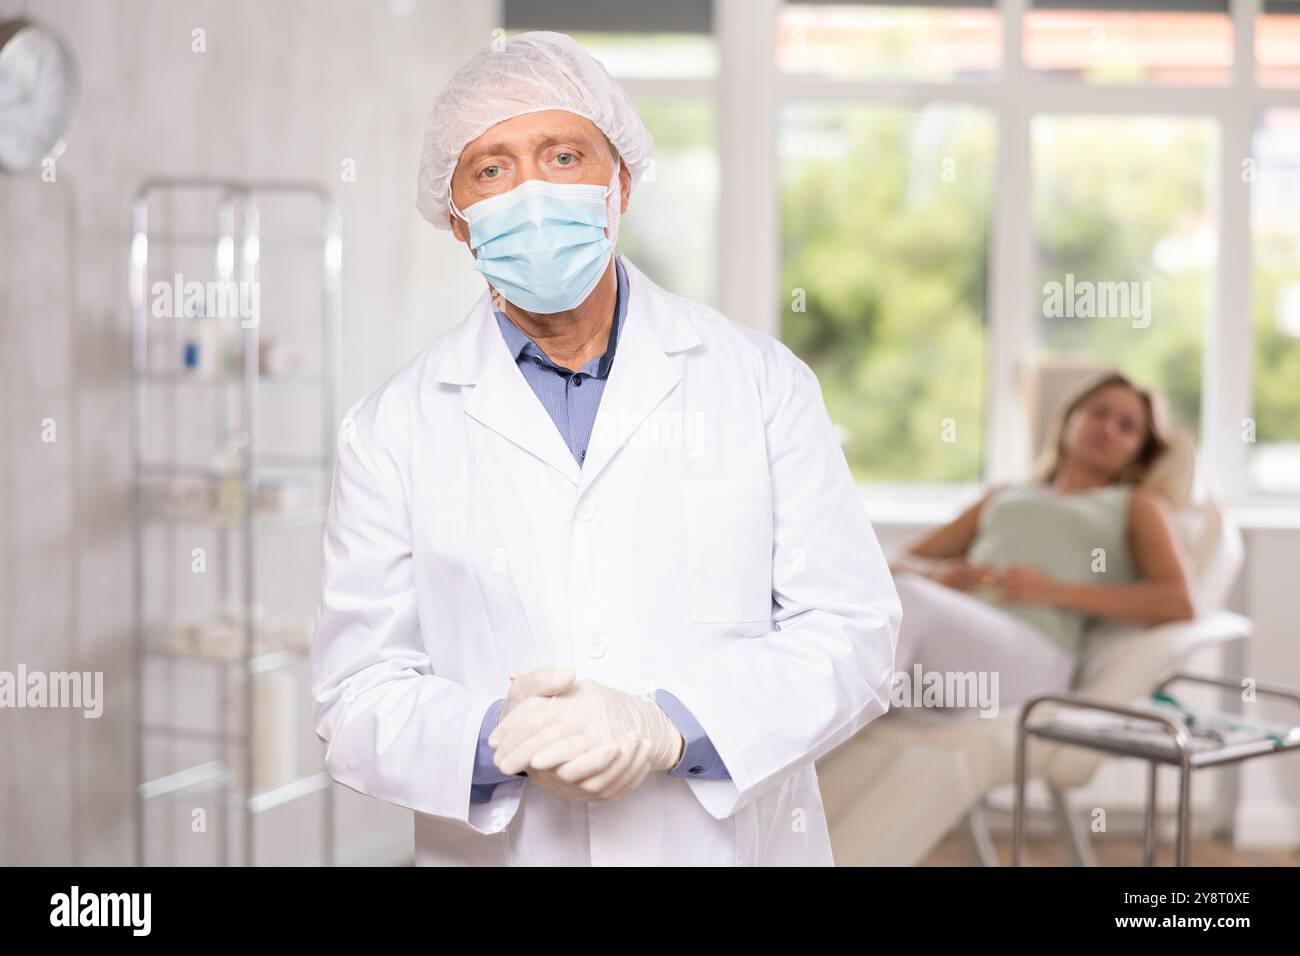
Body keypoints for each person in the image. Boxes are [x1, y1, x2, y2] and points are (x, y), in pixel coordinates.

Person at [310, 31, 902, 867]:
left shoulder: (762, 384)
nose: (531, 194)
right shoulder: (390, 431)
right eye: (491, 169)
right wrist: (495, 738)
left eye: (562, 155)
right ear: (457, 219)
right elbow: (356, 695)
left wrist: (671, 728)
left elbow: (853, 631)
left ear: (619, 181)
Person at [888, 371, 1197, 715]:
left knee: (908, 599)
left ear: (1139, 451)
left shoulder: (1135, 504)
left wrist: (1051, 591)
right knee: (892, 596)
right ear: (1069, 420)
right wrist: (938, 575)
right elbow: (895, 563)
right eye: (1099, 413)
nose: (1108, 429)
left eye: (1127, 427)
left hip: (1037, 655)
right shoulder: (1005, 495)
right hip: (963, 639)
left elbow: (1179, 601)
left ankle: (825, 728)